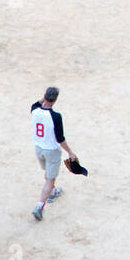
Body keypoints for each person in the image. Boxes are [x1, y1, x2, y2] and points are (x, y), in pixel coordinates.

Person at [30, 86, 78, 220]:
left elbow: (37, 103)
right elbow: (60, 138)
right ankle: (39, 206)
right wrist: (70, 152)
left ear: (44, 96)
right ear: (55, 100)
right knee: (50, 178)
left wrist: (44, 97)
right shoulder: (56, 116)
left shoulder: (34, 110)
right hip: (51, 151)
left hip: (38, 149)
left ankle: (53, 190)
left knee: (48, 174)